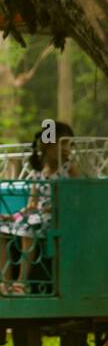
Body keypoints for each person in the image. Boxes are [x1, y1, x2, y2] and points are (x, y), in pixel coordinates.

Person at [0, 121, 80, 294]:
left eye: (69, 144)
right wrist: (12, 217)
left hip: (59, 217)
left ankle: (22, 283)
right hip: (37, 217)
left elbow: (77, 199)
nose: (67, 148)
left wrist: (51, 209)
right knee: (2, 229)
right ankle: (5, 282)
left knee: (30, 226)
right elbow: (31, 205)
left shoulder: (69, 169)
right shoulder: (38, 173)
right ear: (48, 146)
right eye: (62, 143)